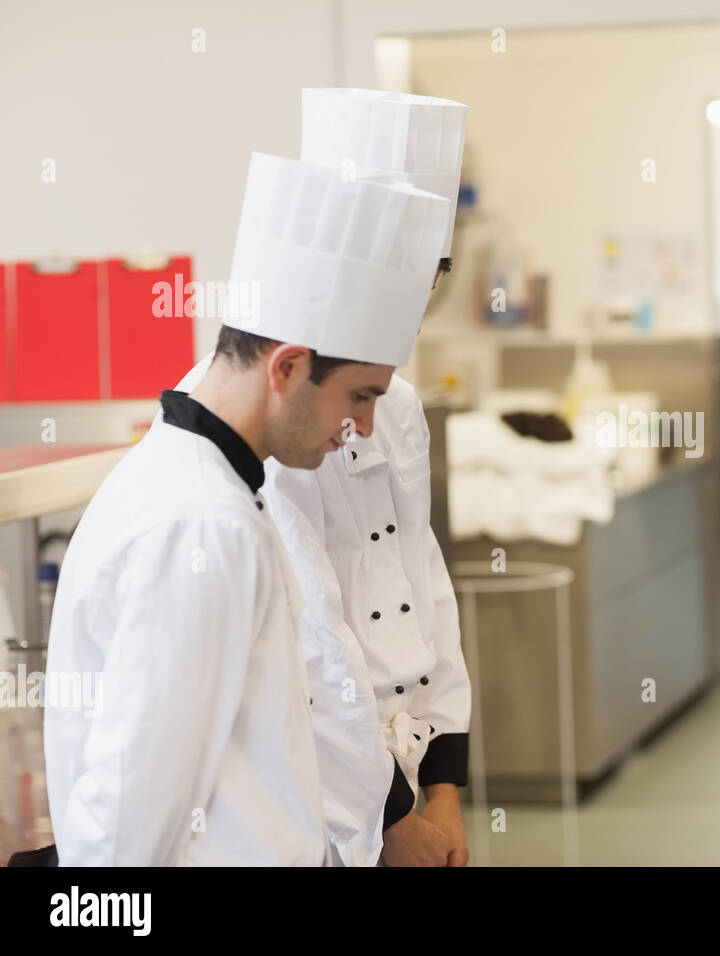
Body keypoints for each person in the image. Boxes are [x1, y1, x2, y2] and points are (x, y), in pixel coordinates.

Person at [43, 150, 451, 865]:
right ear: (288, 365)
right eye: (359, 396)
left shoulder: (211, 487)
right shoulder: (203, 523)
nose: (360, 427)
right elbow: (129, 815)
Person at [176, 88, 472, 867]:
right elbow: (312, 640)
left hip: (404, 755)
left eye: (436, 272)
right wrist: (391, 816)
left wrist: (444, 782)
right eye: (415, 274)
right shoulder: (245, 426)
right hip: (322, 785)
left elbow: (422, 572)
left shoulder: (393, 405)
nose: (424, 300)